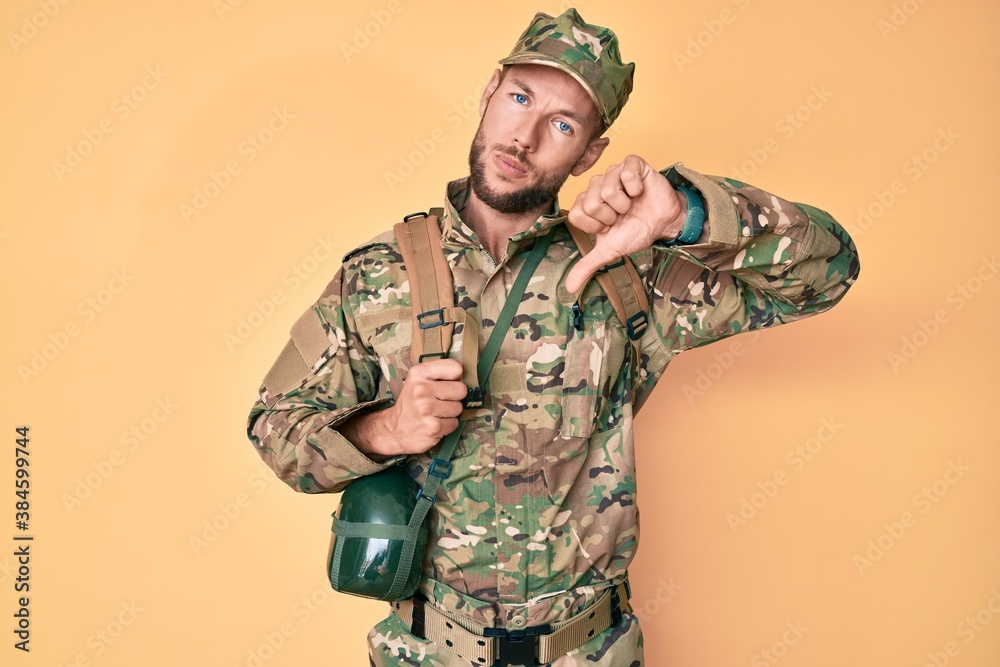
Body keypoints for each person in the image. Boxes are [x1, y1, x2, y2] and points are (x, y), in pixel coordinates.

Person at [245, 7, 860, 666]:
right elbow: (273, 429)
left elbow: (827, 274)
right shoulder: (377, 274)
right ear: (489, 92)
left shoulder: (628, 272)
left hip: (588, 651)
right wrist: (385, 430)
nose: (525, 137)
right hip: (425, 651)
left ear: (590, 153)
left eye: (563, 124)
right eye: (520, 98)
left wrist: (685, 214)